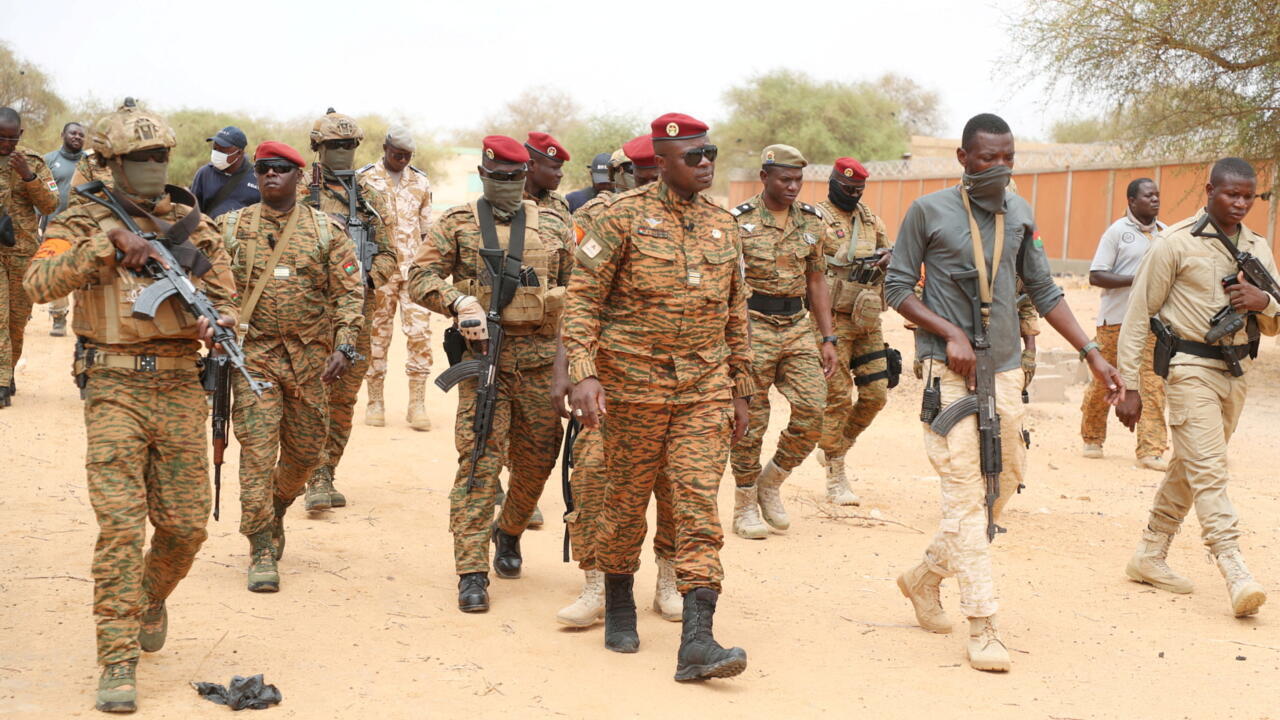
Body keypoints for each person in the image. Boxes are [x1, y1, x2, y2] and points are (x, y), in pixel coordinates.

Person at [885, 113, 1123, 673]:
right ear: (963, 159)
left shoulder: (1020, 212)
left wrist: (1092, 353)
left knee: (1005, 480)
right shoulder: (928, 210)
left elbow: (1041, 287)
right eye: (987, 157)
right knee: (969, 492)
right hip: (948, 372)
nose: (999, 167)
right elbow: (896, 286)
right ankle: (983, 621)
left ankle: (923, 578)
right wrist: (948, 333)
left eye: (1007, 157)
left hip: (1006, 370)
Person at [23, 99, 238, 713]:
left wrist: (215, 323)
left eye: (160, 156)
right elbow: (36, 285)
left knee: (186, 526)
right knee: (120, 527)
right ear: (110, 163)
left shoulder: (192, 225)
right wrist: (104, 246)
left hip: (178, 385)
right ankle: (116, 662)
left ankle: (149, 597)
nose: (152, 166)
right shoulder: (82, 216)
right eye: (139, 158)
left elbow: (225, 299)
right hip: (112, 383)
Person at [564, 112, 751, 681]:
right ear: (662, 162)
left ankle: (698, 638)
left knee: (697, 504)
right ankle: (620, 599)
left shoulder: (724, 224)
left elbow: (735, 311)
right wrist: (584, 373)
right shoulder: (619, 218)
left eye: (709, 153)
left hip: (703, 390)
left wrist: (741, 386)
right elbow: (582, 301)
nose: (705, 164)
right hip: (630, 389)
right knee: (624, 503)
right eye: (692, 156)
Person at [406, 135, 571, 613]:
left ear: (526, 177)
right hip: (484, 362)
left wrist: (572, 362)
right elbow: (420, 277)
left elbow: (580, 292)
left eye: (515, 179)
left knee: (539, 458)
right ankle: (471, 571)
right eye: (497, 178)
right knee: (479, 460)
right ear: (483, 175)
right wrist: (459, 301)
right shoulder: (457, 223)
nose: (506, 187)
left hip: (541, 360)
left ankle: (510, 529)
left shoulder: (557, 223)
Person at [1116, 157, 1277, 618]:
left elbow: (1274, 319)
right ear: (1210, 190)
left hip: (1235, 373)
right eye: (1232, 194)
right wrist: (1129, 387)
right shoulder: (1175, 243)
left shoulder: (1257, 248)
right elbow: (1137, 315)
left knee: (1191, 464)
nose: (1241, 203)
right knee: (1210, 470)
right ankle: (1234, 568)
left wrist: (1262, 301)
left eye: (1249, 195)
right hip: (1189, 368)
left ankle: (1150, 553)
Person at [216, 141, 364, 592]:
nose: (270, 176)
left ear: (299, 176)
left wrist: (344, 344)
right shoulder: (232, 228)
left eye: (280, 169)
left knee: (302, 456)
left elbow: (349, 293)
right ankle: (260, 545)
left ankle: (279, 505)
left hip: (310, 362)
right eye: (262, 169)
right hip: (254, 358)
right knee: (257, 455)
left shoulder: (325, 231)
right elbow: (210, 281)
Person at [552, 132, 682, 627]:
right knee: (591, 478)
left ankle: (667, 580)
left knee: (671, 481)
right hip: (606, 376)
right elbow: (579, 300)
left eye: (656, 176)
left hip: (674, 380)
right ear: (624, 174)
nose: (650, 187)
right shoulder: (597, 219)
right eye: (641, 177)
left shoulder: (702, 220)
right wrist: (566, 372)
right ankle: (596, 583)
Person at [727, 144, 837, 539]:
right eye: (785, 180)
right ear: (765, 178)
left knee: (814, 409)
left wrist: (827, 337)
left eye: (798, 180)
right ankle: (744, 504)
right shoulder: (737, 222)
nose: (793, 187)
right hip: (751, 324)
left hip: (795, 327)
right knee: (751, 421)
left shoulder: (812, 221)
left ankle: (770, 482)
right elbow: (728, 285)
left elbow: (817, 280)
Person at [298, 109, 397, 512]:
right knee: (308, 395)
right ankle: (304, 470)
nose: (341, 152)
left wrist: (368, 276)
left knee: (342, 397)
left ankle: (325, 472)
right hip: (307, 312)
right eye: (333, 145)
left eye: (348, 145)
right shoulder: (301, 190)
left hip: (355, 313)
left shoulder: (370, 198)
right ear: (318, 147)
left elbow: (391, 252)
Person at [814, 157, 893, 505]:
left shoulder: (871, 220)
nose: (853, 194)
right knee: (838, 398)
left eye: (859, 189)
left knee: (877, 393)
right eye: (847, 189)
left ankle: (837, 445)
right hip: (831, 320)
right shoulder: (815, 218)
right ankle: (836, 472)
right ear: (833, 183)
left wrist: (888, 257)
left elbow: (893, 254)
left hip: (867, 318)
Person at [1081, 178, 1168, 470]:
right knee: (1104, 380)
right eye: (1148, 195)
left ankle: (1151, 450)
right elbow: (1096, 275)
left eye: (1157, 195)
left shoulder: (1167, 235)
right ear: (1132, 201)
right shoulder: (1116, 233)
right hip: (1115, 322)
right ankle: (1092, 436)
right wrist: (1138, 280)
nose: (1155, 199)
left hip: (1152, 325)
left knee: (1152, 384)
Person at [358, 126, 434, 431]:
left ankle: (417, 404)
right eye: (397, 154)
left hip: (412, 272)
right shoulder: (364, 179)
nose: (402, 160)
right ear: (385, 149)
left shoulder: (421, 181)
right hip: (381, 271)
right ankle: (375, 401)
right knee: (377, 336)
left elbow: (427, 231)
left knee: (420, 336)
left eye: (407, 156)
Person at [0, 106, 59, 407]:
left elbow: (50, 204)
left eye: (11, 139)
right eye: (0, 139)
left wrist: (28, 176)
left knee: (16, 322)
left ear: (20, 135)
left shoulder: (33, 162)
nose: (5, 145)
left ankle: (7, 372)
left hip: (22, 252)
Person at [41, 121, 88, 336]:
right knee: (57, 275)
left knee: (84, 276)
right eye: (73, 133)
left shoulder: (90, 163)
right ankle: (58, 318)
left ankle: (88, 321)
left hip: (83, 230)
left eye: (81, 134)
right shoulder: (49, 161)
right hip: (54, 228)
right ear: (63, 134)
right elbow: (36, 193)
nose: (77, 137)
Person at [190, 126, 260, 219]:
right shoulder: (204, 174)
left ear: (239, 153)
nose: (217, 153)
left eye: (222, 150)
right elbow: (193, 210)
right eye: (215, 148)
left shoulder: (257, 177)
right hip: (209, 231)